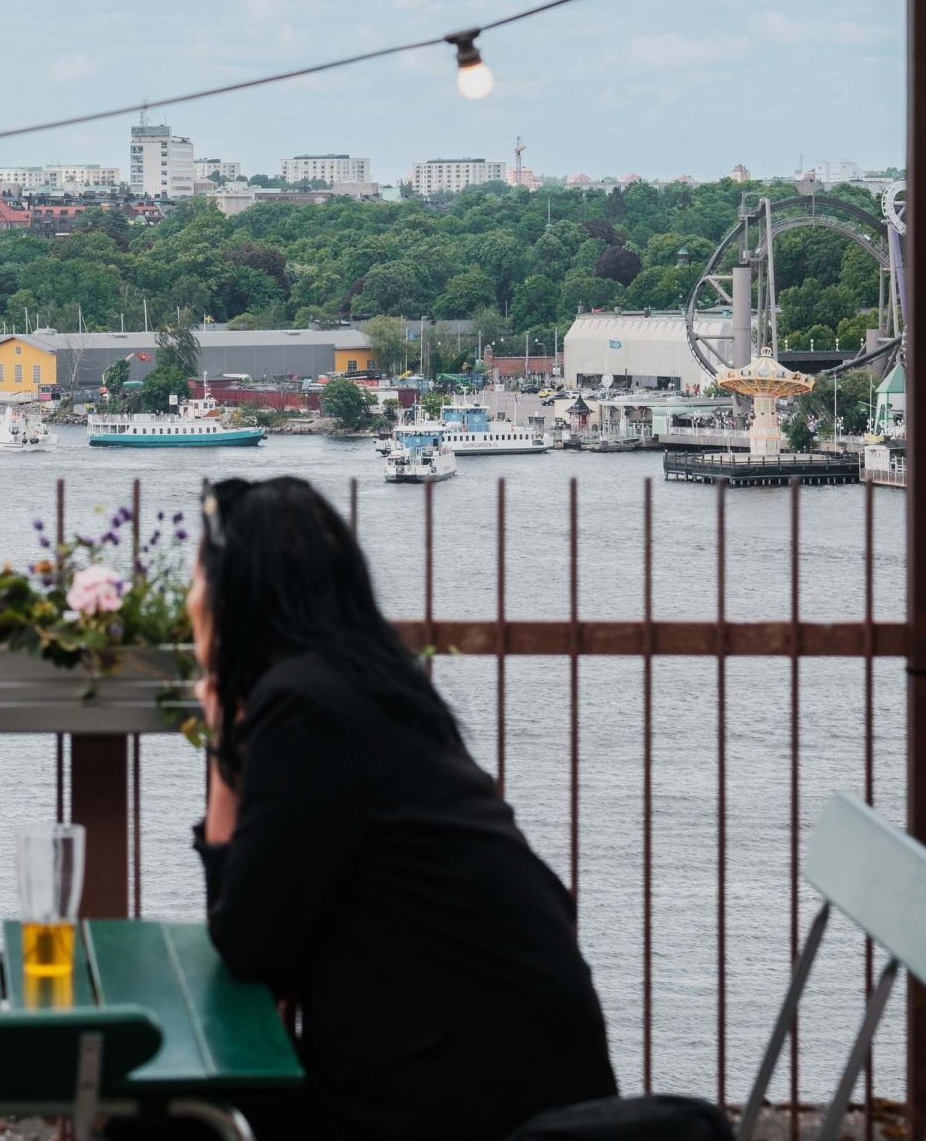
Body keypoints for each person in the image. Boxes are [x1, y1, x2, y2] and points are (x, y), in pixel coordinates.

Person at [190, 476, 616, 1141]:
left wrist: (223, 745)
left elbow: (247, 945)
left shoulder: (303, 707)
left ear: (231, 595)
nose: (189, 603)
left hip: (451, 1094)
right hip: (530, 1073)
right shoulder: (376, 689)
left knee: (164, 1118)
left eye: (195, 581)